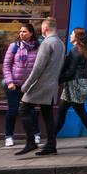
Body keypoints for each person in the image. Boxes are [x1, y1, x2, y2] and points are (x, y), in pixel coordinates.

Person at [19, 17, 65, 156]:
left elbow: (38, 68)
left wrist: (26, 85)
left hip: (41, 85)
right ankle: (51, 144)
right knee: (48, 115)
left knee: (24, 110)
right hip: (52, 85)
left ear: (45, 28)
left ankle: (31, 142)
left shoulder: (47, 43)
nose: (41, 30)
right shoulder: (60, 43)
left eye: (41, 28)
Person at [56, 27, 87, 149]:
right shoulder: (83, 50)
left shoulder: (75, 51)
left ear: (77, 37)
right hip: (78, 84)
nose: (70, 35)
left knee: (76, 112)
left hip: (74, 85)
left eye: (72, 34)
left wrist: (58, 80)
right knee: (69, 112)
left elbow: (70, 71)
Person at [2, 22, 40, 148]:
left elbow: (38, 67)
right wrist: (10, 82)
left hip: (28, 86)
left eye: (24, 31)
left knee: (31, 111)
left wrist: (33, 83)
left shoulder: (37, 47)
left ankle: (36, 134)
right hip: (14, 85)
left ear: (31, 33)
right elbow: (6, 65)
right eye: (20, 31)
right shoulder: (14, 46)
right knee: (12, 111)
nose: (21, 34)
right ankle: (8, 136)